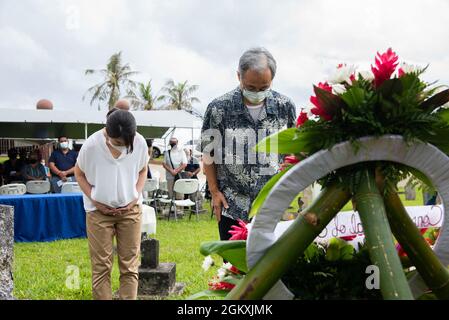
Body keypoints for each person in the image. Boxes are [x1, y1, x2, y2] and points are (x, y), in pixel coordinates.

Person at [201, 47, 296, 241]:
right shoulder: (219, 108)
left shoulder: (284, 107)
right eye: (251, 87)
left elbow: (294, 149)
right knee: (232, 267)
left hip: (273, 204)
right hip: (232, 205)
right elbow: (208, 154)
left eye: (264, 88)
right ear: (239, 76)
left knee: (273, 264)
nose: (257, 92)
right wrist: (214, 192)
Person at [74, 110, 148, 300]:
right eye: (116, 143)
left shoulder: (139, 142)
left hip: (130, 211)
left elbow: (143, 169)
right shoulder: (91, 145)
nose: (121, 147)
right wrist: (95, 199)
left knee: (130, 266)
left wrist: (135, 195)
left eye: (125, 144)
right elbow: (79, 173)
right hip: (98, 213)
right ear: (107, 133)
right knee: (101, 267)